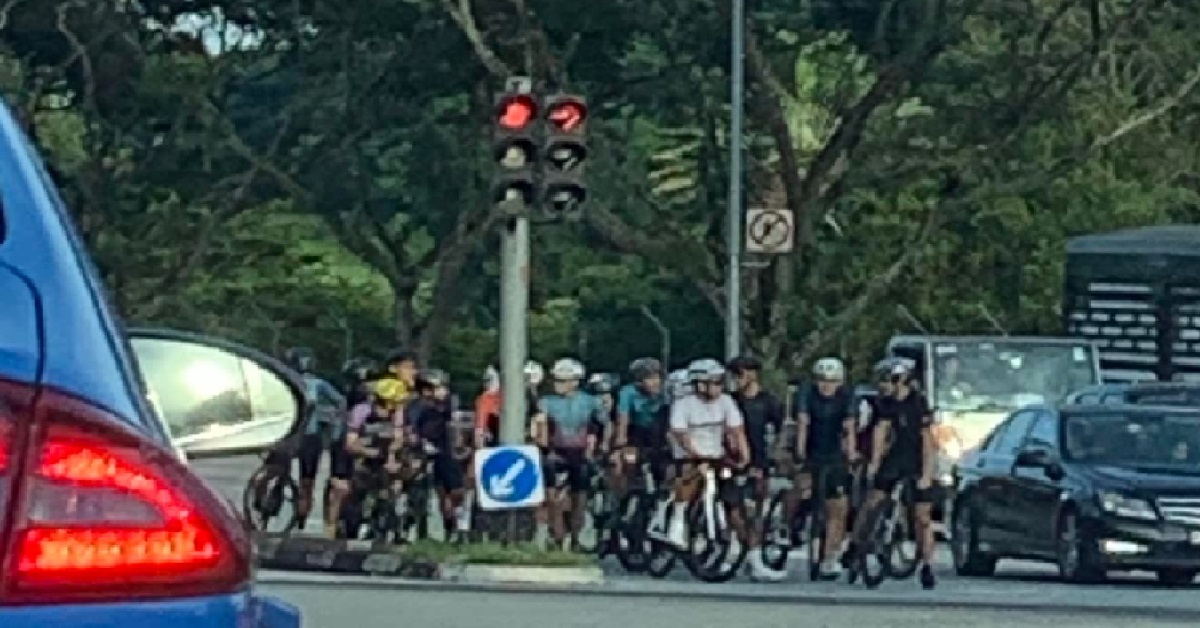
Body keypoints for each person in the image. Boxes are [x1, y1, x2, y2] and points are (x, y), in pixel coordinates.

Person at [664, 358, 783, 581]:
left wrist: (744, 457)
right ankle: (677, 523)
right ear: (699, 384)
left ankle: (749, 558)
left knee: (735, 506)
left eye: (719, 382)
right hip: (689, 453)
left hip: (717, 456)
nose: (718, 387)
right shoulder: (684, 404)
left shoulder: (726, 402)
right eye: (713, 382)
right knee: (690, 476)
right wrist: (693, 453)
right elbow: (680, 433)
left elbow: (736, 430)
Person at [853, 357, 938, 589]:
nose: (883, 385)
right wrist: (874, 463)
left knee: (922, 517)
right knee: (874, 500)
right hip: (896, 458)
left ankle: (927, 565)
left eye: (888, 380)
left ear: (901, 380)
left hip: (917, 459)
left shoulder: (918, 403)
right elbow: (881, 431)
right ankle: (857, 543)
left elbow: (928, 441)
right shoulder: (885, 403)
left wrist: (926, 474)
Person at [791, 357, 859, 580]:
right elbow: (803, 422)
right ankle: (787, 525)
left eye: (831, 381)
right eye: (821, 380)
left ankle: (830, 557)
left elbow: (849, 427)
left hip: (834, 452)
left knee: (837, 507)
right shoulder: (806, 393)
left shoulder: (848, 396)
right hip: (812, 448)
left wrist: (850, 454)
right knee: (801, 488)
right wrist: (800, 452)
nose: (826, 385)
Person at [536, 358, 606, 550]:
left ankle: (575, 538)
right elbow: (540, 428)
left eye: (563, 380)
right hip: (553, 453)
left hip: (580, 453)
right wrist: (543, 447)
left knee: (580, 496)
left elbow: (604, 426)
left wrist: (603, 447)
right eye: (556, 380)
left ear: (575, 381)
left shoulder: (591, 402)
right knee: (551, 495)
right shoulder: (546, 402)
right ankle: (557, 536)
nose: (557, 384)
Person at [286, 347, 345, 532]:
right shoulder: (314, 383)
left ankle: (302, 514)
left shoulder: (312, 384)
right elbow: (341, 402)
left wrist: (334, 421)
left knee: (306, 479)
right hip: (300, 434)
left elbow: (340, 402)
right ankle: (299, 510)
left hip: (300, 434)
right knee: (305, 479)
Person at [407, 369, 466, 540]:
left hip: (445, 452)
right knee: (422, 487)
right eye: (438, 388)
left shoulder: (448, 405)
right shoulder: (416, 407)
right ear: (426, 390)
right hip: (422, 450)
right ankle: (414, 524)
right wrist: (419, 443)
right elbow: (411, 429)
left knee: (455, 491)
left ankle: (453, 524)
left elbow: (456, 425)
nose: (443, 391)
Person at [611, 358, 666, 496]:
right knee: (629, 459)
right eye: (649, 379)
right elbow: (623, 417)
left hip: (658, 430)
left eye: (657, 378)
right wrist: (621, 439)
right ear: (639, 381)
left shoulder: (665, 392)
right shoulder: (627, 392)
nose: (655, 383)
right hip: (634, 430)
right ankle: (628, 488)